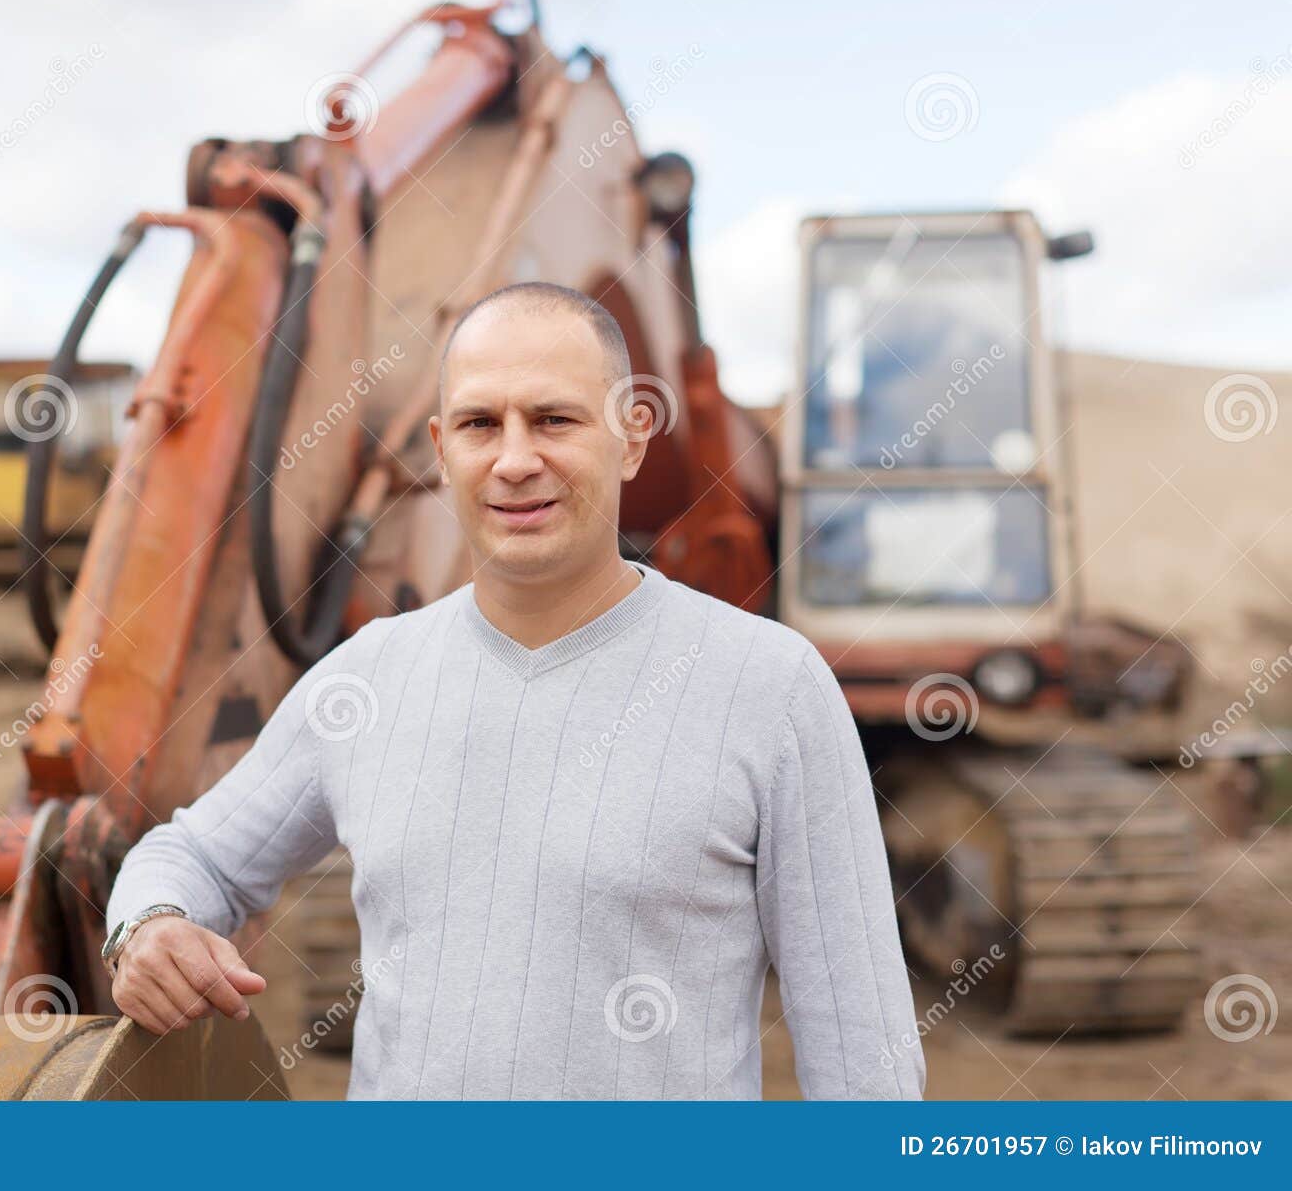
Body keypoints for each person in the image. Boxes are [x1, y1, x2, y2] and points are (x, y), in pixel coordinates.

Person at [103, 281, 927, 1100]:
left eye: (554, 419)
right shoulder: (366, 679)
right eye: (479, 424)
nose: (514, 459)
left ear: (633, 436)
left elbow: (863, 1059)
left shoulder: (768, 687)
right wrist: (149, 923)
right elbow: (190, 853)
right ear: (440, 446)